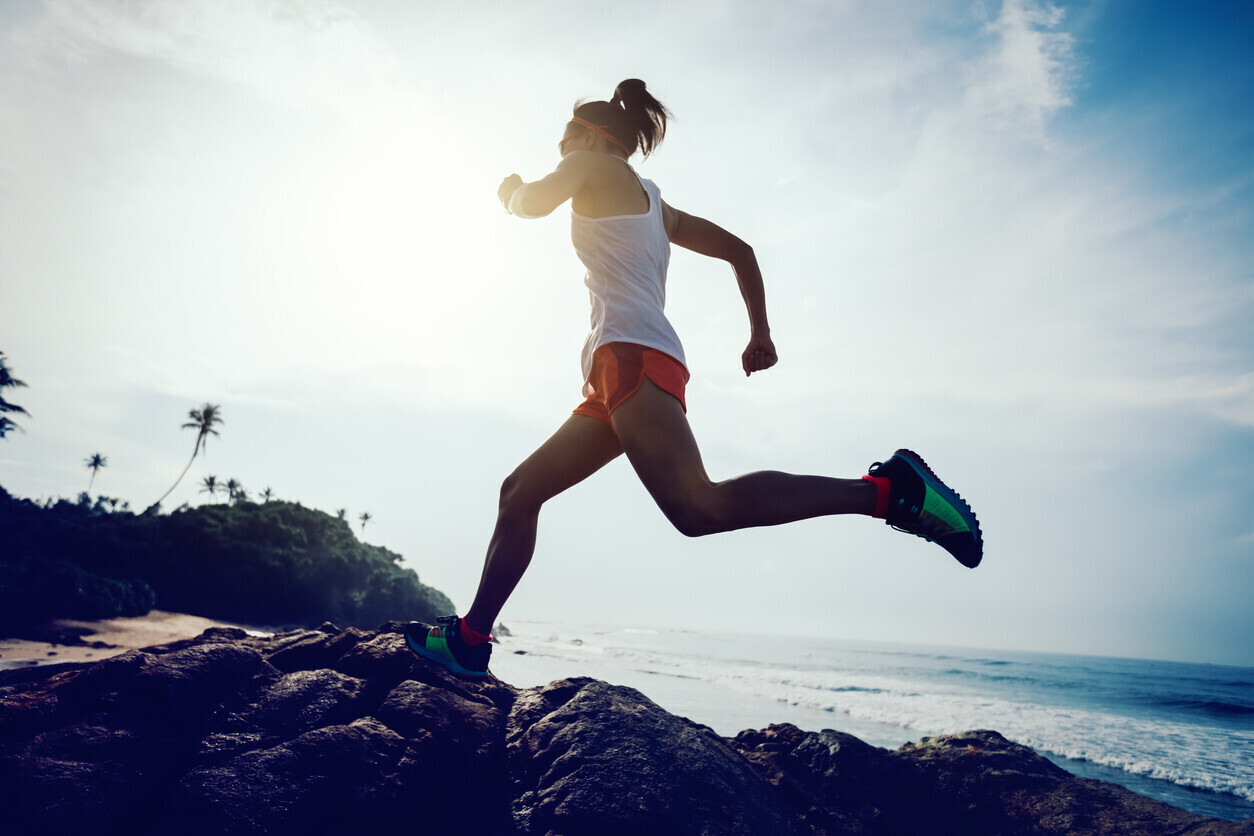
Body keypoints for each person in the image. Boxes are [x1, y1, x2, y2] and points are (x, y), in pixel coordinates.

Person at [406, 79, 982, 678]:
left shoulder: (585, 165)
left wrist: (511, 192)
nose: (560, 151)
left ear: (590, 138)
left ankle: (889, 493)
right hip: (619, 370)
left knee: (698, 508)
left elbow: (531, 204)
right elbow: (742, 251)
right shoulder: (656, 203)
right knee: (520, 491)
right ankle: (472, 640)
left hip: (631, 360)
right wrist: (760, 332)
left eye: (565, 140)